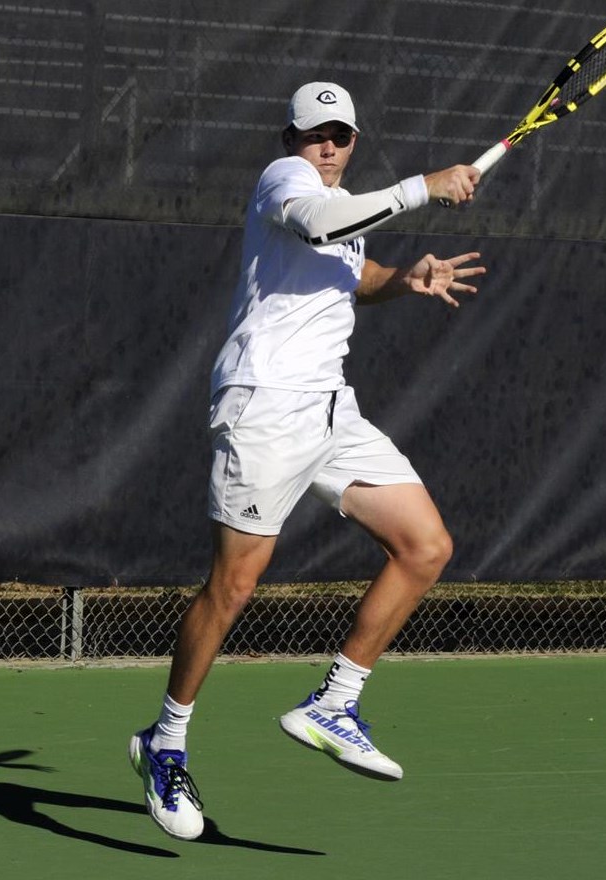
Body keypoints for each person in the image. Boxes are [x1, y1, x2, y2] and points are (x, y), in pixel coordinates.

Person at [128, 81, 486, 841]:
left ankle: (334, 702)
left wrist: (404, 278)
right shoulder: (285, 182)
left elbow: (348, 276)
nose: (328, 146)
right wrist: (424, 187)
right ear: (289, 136)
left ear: (354, 138)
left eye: (341, 135)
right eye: (314, 133)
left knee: (425, 546)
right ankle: (163, 743)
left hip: (330, 409)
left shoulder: (346, 203)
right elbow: (321, 226)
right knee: (233, 586)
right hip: (263, 406)